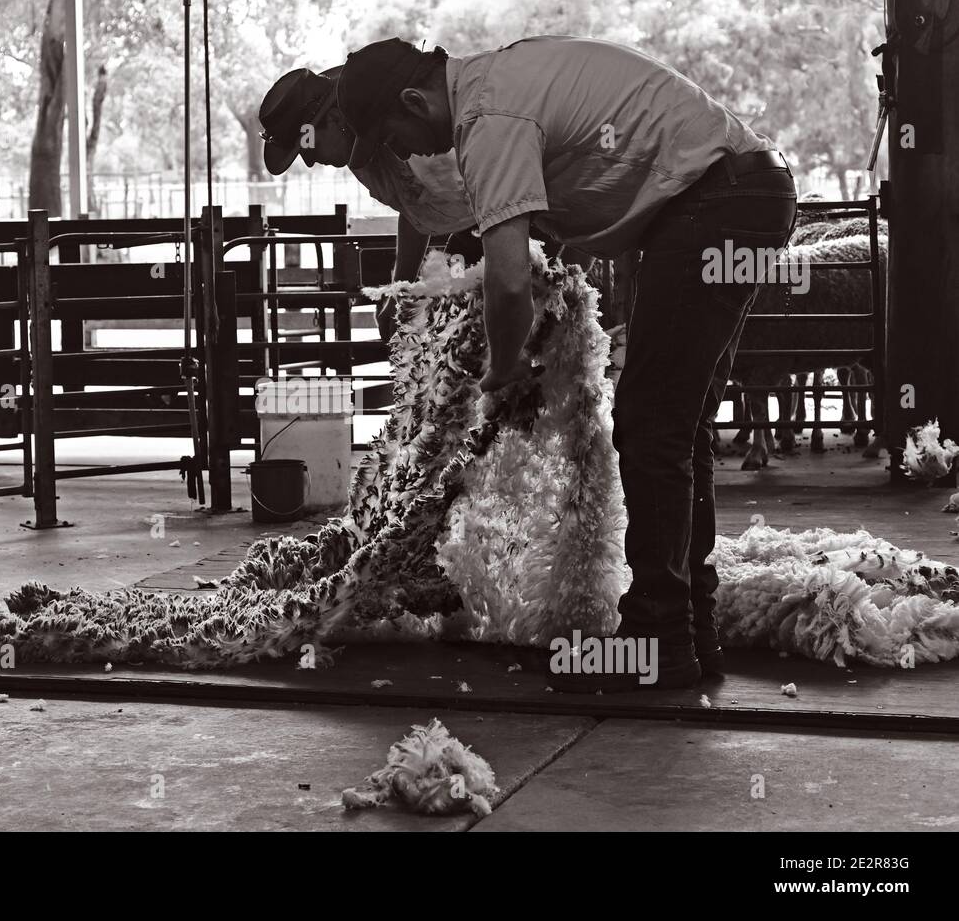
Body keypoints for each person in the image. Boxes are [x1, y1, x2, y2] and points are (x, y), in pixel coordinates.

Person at [337, 36, 797, 689]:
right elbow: (553, 228)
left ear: (415, 100)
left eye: (398, 135)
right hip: (737, 196)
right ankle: (689, 632)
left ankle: (656, 645)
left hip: (714, 207)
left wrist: (499, 370)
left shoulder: (487, 121)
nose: (408, 152)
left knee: (651, 426)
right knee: (677, 426)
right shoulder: (494, 89)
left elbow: (506, 278)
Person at [258, 66, 481, 340]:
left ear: (334, 117)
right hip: (473, 232)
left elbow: (485, 192)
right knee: (461, 302)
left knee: (482, 309)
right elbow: (415, 209)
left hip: (516, 215)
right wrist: (400, 290)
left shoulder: (412, 136)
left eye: (309, 145)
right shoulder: (361, 159)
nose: (311, 160)